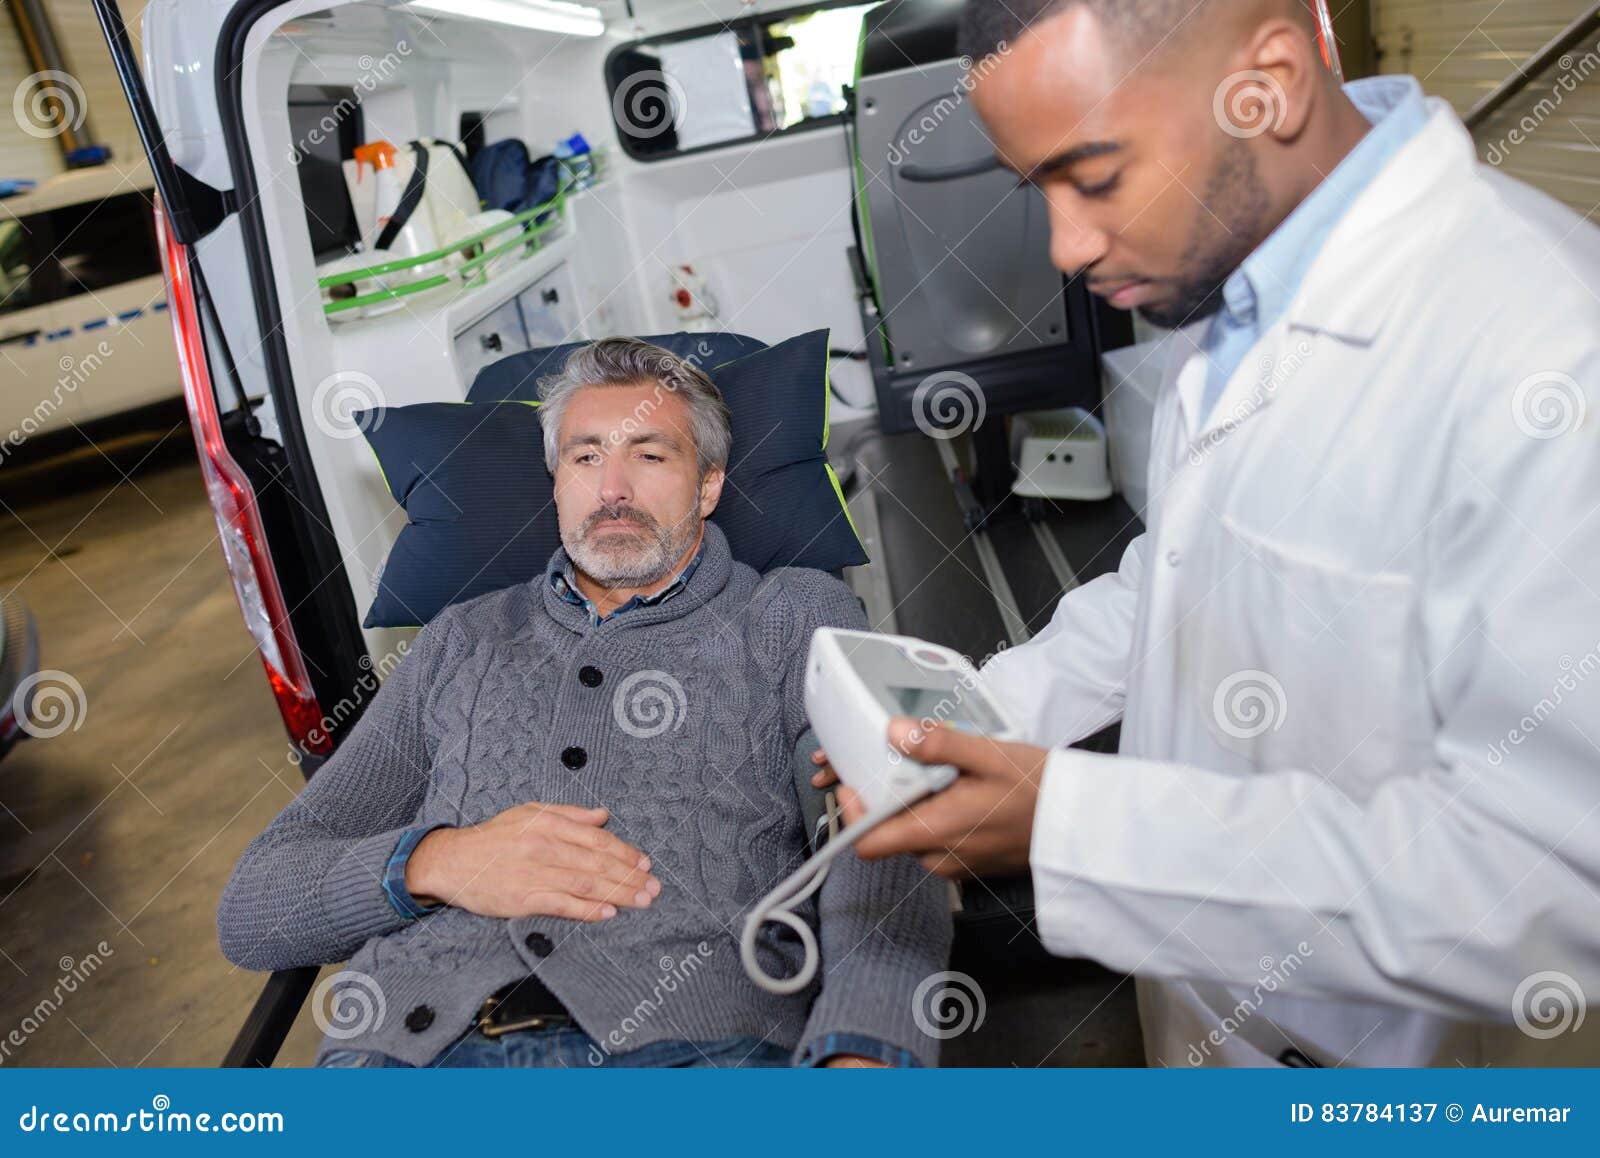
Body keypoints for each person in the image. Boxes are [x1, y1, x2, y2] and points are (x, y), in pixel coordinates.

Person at [826, 0, 1600, 1066]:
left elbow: (1547, 884)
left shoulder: (1551, 360)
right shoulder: (1238, 292)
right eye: (1036, 188)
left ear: (1271, 82)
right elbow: (1182, 578)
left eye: (1092, 177)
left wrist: (1069, 826)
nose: (1065, 245)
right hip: (1203, 1020)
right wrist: (974, 718)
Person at [218, 338, 951, 1068]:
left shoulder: (791, 615)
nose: (613, 489)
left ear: (708, 487)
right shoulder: (458, 641)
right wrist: (438, 860)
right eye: (586, 456)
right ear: (556, 483)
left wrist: (864, 1048)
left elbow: (889, 819)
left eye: (650, 455)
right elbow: (252, 910)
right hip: (410, 1055)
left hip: (691, 1051)